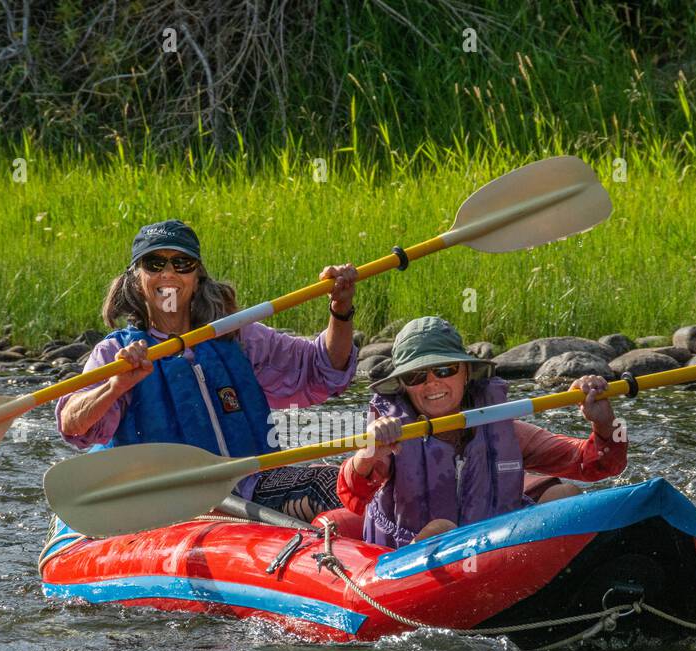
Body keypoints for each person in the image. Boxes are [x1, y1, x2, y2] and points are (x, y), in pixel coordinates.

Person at [57, 219, 357, 522]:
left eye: (182, 263)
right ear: (136, 278)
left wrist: (340, 310)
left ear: (197, 277)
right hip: (165, 507)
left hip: (252, 490)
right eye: (155, 263)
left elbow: (324, 369)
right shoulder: (115, 353)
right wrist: (115, 386)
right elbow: (74, 425)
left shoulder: (237, 337)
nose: (169, 273)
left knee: (340, 484)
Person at [336, 316, 628, 547]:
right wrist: (368, 452)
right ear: (403, 386)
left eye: (445, 370)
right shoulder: (395, 437)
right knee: (443, 530)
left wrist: (604, 423)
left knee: (566, 495)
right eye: (416, 375)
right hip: (409, 558)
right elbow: (353, 497)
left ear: (466, 372)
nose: (432, 383)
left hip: (494, 552)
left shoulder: (506, 430)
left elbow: (597, 464)